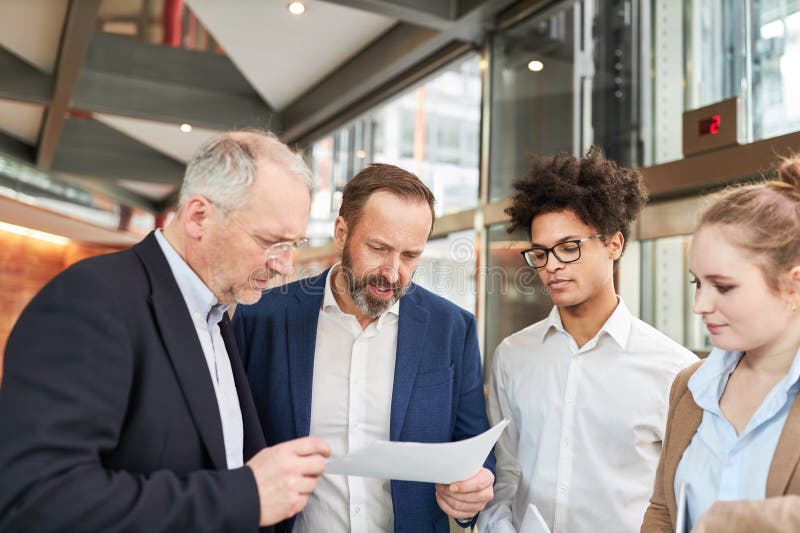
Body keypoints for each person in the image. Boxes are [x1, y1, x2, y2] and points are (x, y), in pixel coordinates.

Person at [0, 130, 332, 532]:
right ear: (198, 217)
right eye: (270, 241)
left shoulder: (218, 318)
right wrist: (245, 494)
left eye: (294, 244)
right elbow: (38, 500)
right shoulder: (93, 298)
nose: (285, 266)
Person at [233, 163, 495, 533]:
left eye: (409, 256)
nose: (391, 272)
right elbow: (231, 446)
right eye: (378, 248)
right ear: (342, 233)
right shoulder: (259, 319)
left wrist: (473, 495)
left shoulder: (452, 329)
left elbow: (476, 454)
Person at [478, 148, 698, 533]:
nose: (552, 266)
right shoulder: (512, 357)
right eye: (541, 253)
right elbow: (505, 472)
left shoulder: (673, 369)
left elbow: (682, 498)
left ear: (614, 244)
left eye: (568, 247)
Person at [641, 157, 800, 533]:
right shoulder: (690, 387)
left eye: (723, 286)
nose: (700, 306)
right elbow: (663, 509)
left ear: (793, 284)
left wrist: (743, 521)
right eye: (696, 282)